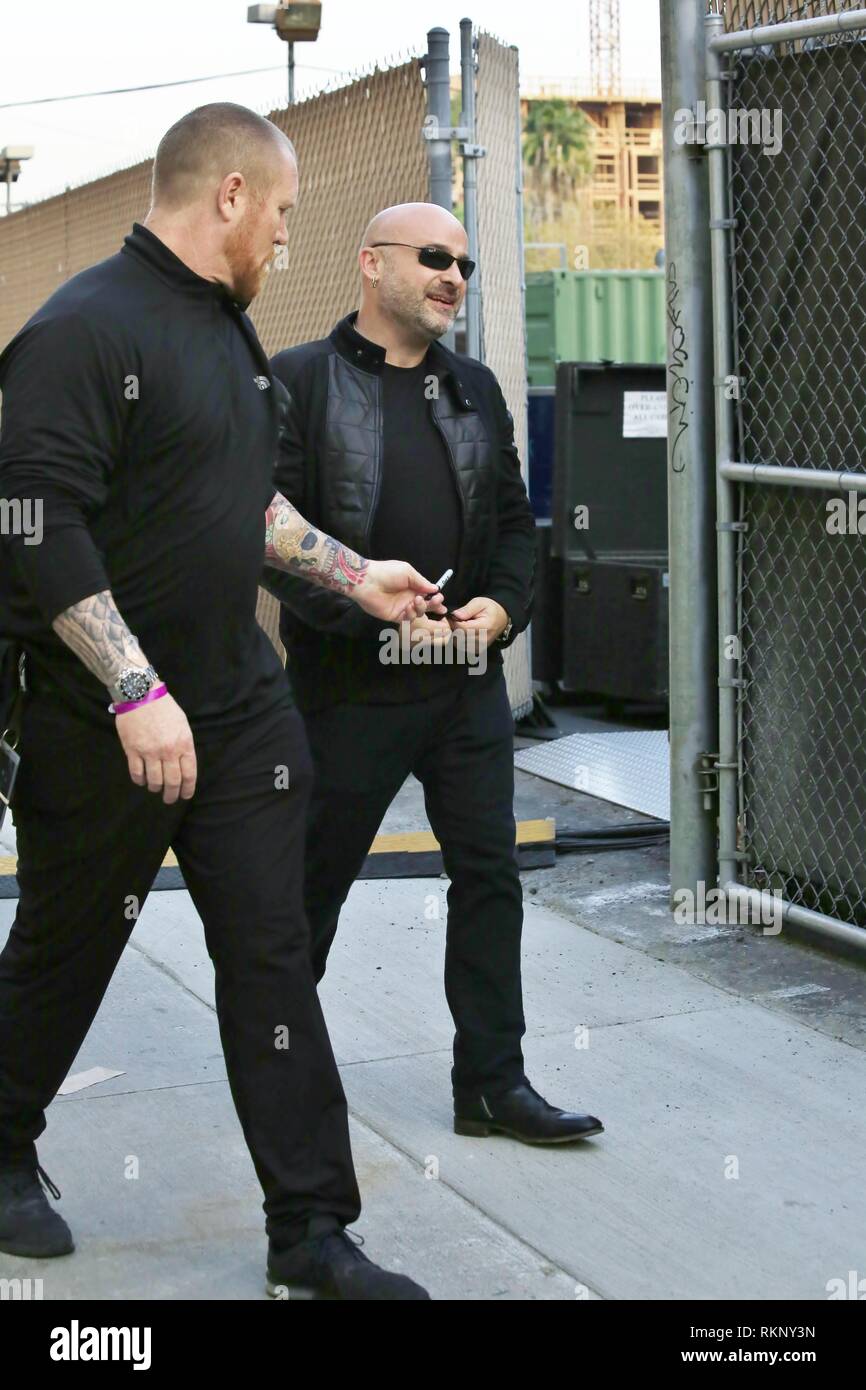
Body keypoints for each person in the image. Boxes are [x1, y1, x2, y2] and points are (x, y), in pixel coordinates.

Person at [0, 104, 443, 1301]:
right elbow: (34, 517)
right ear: (232, 195)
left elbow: (243, 512)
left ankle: (309, 1230)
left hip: (240, 714)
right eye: (285, 215)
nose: (286, 242)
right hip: (109, 717)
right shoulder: (81, 329)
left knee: (271, 955)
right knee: (65, 946)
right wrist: (132, 686)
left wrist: (356, 576)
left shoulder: (230, 337)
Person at [262, 203, 604, 1145]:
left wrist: (499, 613)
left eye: (463, 261)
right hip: (347, 689)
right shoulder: (300, 380)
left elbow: (508, 525)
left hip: (463, 683)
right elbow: (273, 542)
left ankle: (492, 1085)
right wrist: (375, 614)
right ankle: (285, 1086)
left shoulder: (474, 386)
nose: (454, 275)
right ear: (372, 265)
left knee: (490, 877)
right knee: (308, 890)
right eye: (433, 257)